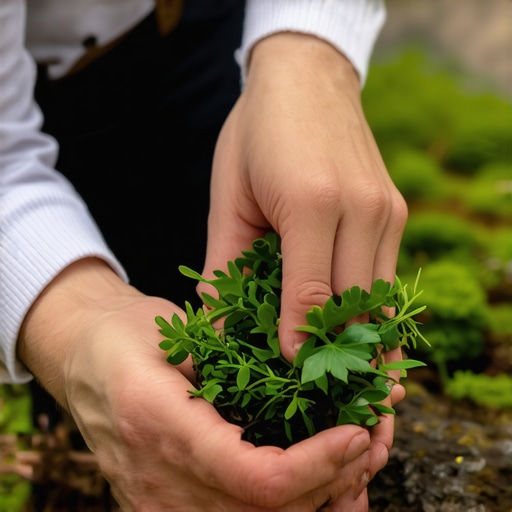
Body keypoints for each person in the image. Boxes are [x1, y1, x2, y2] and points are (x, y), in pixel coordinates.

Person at [0, 0, 408, 510]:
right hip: (45, 90)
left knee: (236, 294)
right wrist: (76, 318)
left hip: (218, 28)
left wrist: (309, 47)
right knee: (117, 394)